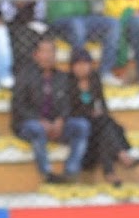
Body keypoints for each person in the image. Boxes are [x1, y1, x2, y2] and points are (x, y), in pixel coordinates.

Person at [11, 35, 90, 184]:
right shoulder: (24, 76)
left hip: (57, 125)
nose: (49, 56)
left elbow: (68, 103)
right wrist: (40, 121)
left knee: (82, 126)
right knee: (36, 129)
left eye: (52, 52)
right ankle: (47, 173)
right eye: (45, 52)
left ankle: (71, 171)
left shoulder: (63, 77)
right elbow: (18, 106)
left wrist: (61, 120)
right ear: (36, 55)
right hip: (31, 124)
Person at [68, 49, 139, 186]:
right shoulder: (68, 83)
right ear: (72, 66)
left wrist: (96, 114)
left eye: (85, 63)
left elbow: (103, 104)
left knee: (103, 128)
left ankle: (110, 173)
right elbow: (69, 111)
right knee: (104, 125)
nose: (82, 68)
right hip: (80, 126)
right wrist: (91, 113)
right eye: (78, 64)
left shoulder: (94, 80)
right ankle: (121, 155)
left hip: (97, 125)